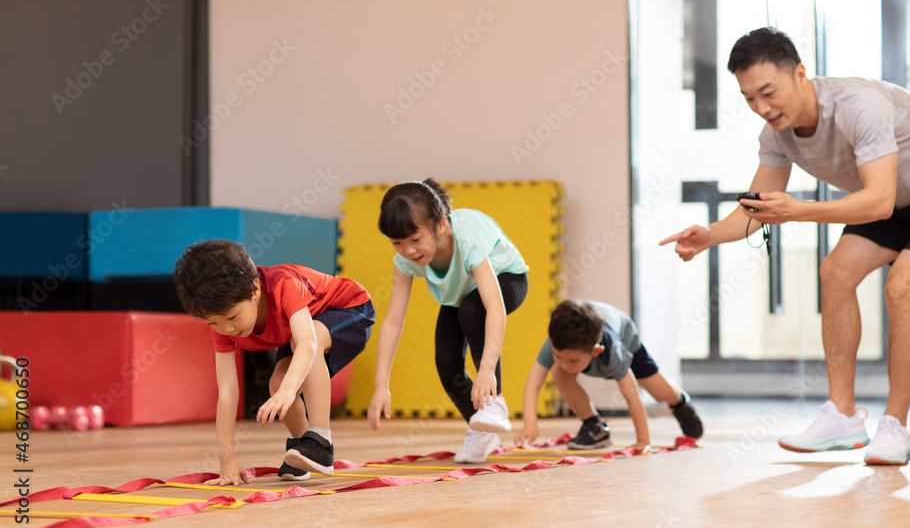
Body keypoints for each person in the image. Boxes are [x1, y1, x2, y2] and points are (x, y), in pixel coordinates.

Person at [661, 27, 910, 465]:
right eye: (749, 99)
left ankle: (895, 428)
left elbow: (878, 201)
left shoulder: (861, 108)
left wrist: (797, 211)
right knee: (835, 273)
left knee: (902, 286)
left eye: (768, 92)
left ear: (800, 73)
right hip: (896, 195)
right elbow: (755, 209)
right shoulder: (775, 135)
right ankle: (842, 418)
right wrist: (710, 235)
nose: (762, 108)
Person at [174, 239, 374, 485]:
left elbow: (307, 344)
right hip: (304, 329)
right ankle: (302, 447)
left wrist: (290, 391)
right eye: (213, 323)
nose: (226, 328)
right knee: (277, 383)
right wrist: (227, 459)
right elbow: (227, 391)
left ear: (255, 290)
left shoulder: (283, 285)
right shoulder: (222, 323)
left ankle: (321, 441)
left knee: (302, 350)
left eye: (232, 317)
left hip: (350, 308)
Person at [366, 179, 529, 463]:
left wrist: (488, 372)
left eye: (415, 240)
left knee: (472, 310)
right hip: (463, 295)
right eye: (397, 243)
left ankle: (495, 403)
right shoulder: (404, 259)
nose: (408, 251)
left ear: (441, 224)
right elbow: (393, 320)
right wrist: (381, 384)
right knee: (446, 360)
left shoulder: (467, 239)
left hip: (507, 281)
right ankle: (481, 430)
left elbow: (494, 308)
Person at [515, 300, 703, 451]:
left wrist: (643, 440)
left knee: (661, 393)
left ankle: (679, 400)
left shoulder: (614, 351)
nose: (563, 363)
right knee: (559, 372)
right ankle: (593, 425)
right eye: (557, 356)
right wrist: (529, 424)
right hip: (589, 332)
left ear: (595, 352)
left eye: (572, 361)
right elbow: (534, 385)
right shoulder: (556, 342)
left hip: (628, 340)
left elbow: (632, 395)